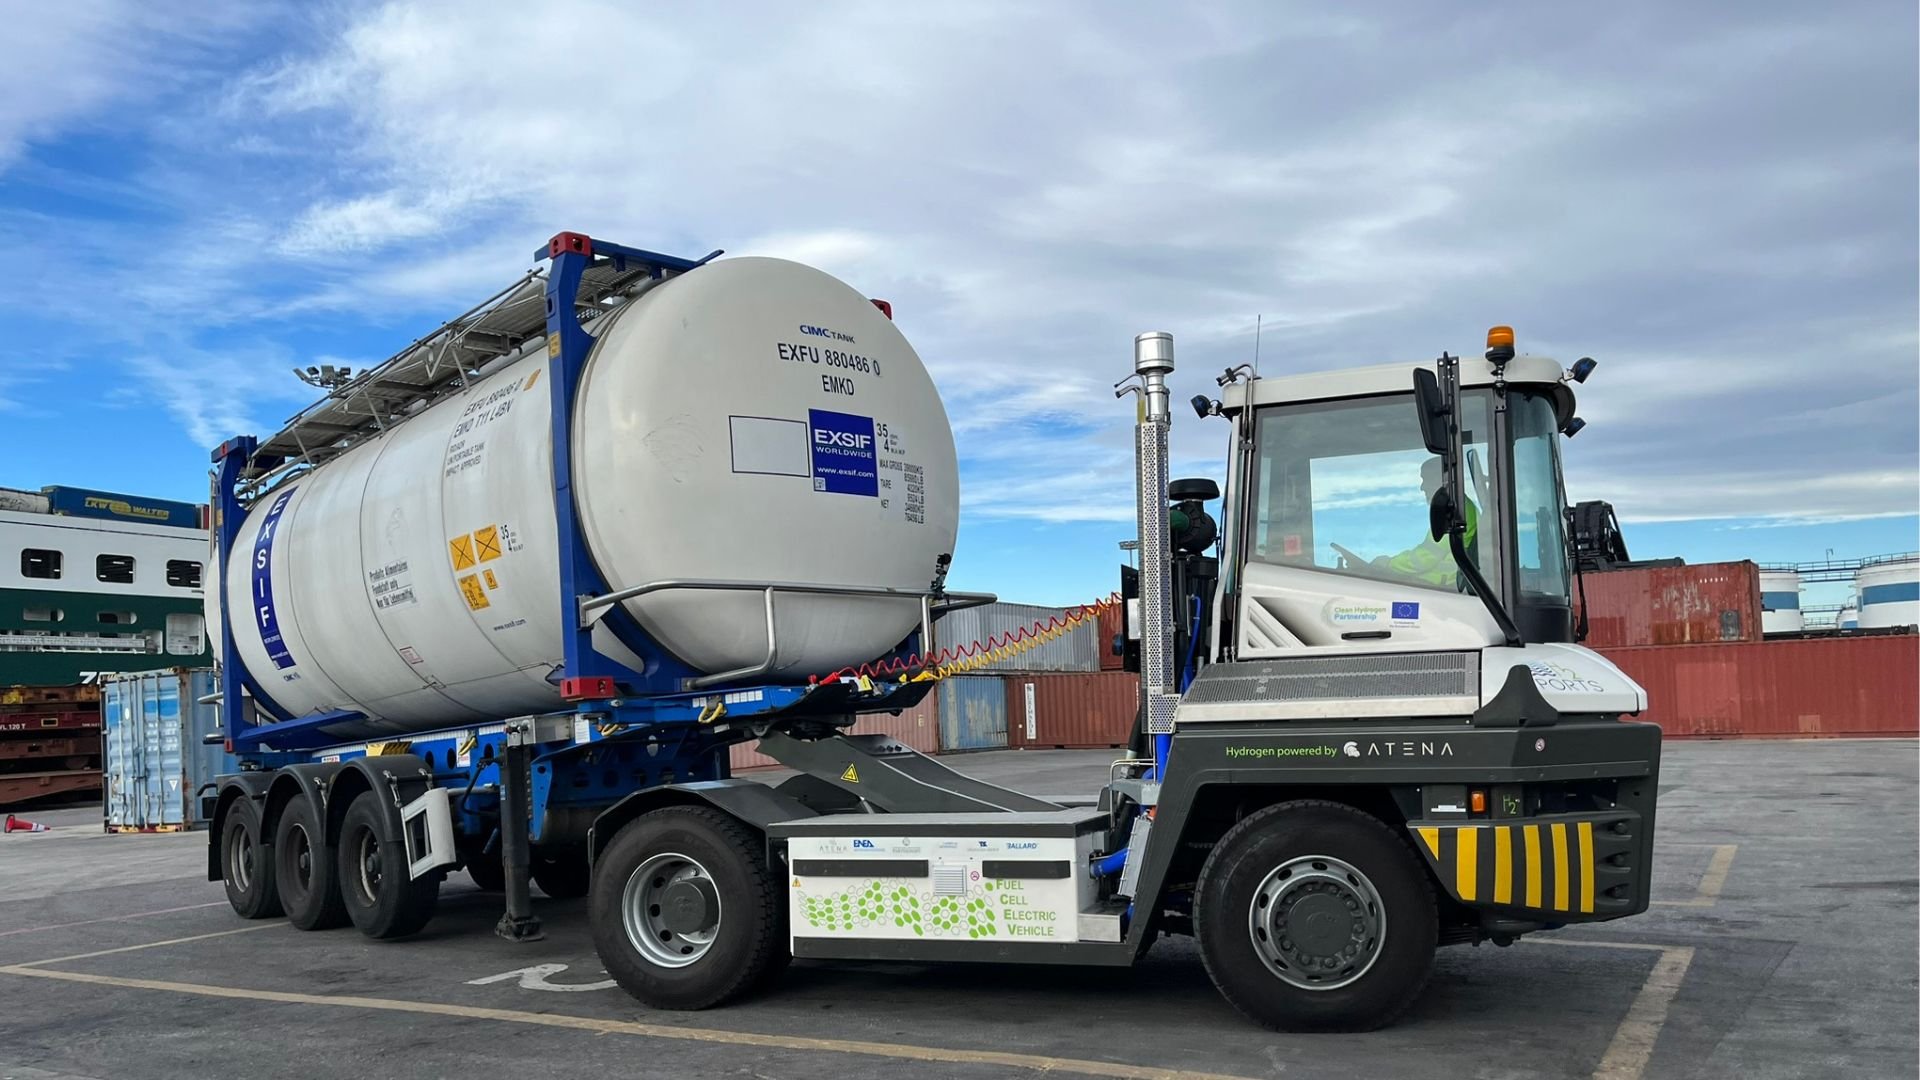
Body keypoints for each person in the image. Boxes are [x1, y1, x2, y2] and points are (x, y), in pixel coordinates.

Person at [1379, 457, 1477, 589]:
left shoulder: (1456, 510)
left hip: (1442, 588)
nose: (1422, 487)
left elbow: (1427, 557)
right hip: (1440, 585)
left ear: (1441, 480)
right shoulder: (1460, 506)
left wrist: (1389, 564)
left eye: (1425, 480)